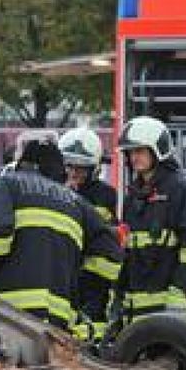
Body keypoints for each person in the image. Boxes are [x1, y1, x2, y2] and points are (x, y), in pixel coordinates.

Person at [0, 132, 122, 341]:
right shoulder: (77, 202)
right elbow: (111, 254)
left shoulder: (5, 184)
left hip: (7, 310)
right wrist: (79, 284)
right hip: (58, 316)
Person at [116, 116, 186, 323]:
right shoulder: (132, 196)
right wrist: (119, 296)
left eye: (140, 151)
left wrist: (179, 294)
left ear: (157, 150)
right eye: (131, 152)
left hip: (178, 309)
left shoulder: (178, 190)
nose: (134, 157)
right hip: (141, 313)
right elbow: (129, 253)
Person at [59, 127, 118, 333]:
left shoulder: (108, 197)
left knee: (94, 319)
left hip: (96, 274)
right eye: (69, 166)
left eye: (81, 168)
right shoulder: (55, 192)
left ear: (94, 168)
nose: (74, 173)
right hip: (64, 269)